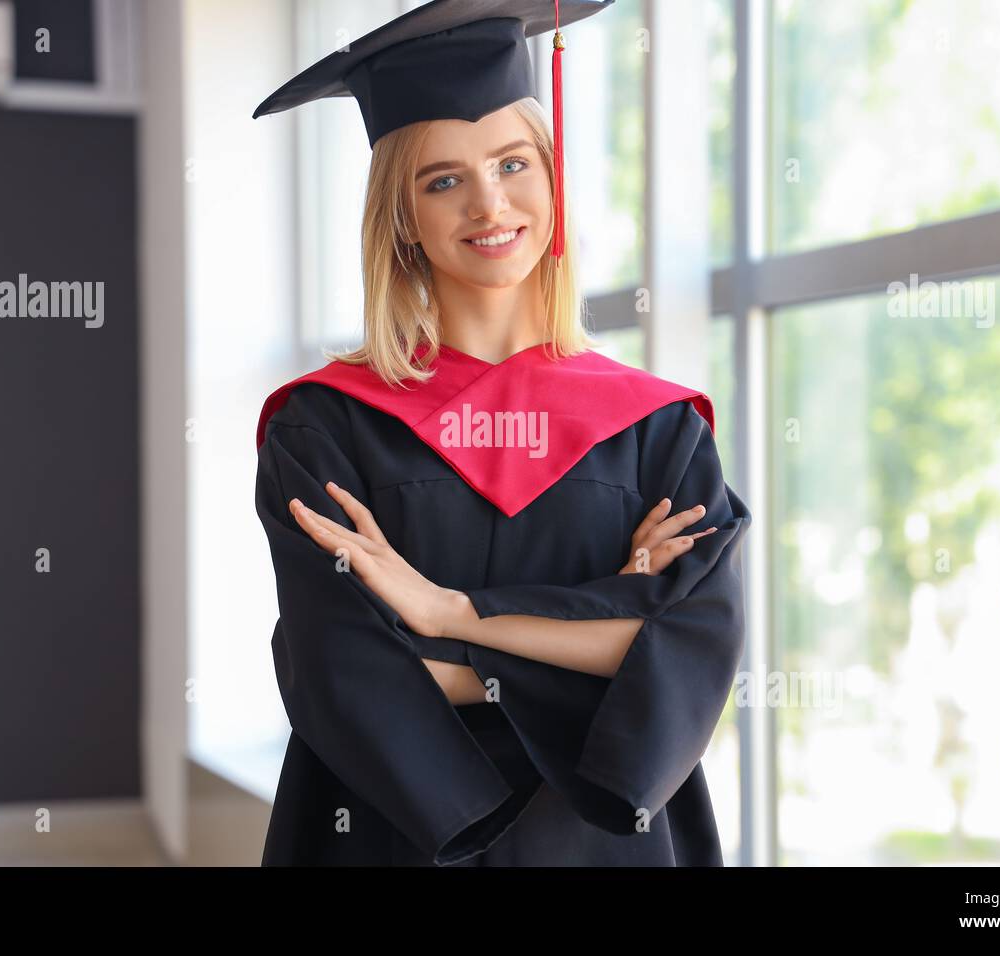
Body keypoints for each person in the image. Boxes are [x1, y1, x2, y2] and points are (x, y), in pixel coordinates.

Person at [251, 0, 752, 866]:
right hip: (396, 831)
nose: (490, 203)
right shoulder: (324, 427)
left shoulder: (658, 428)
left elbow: (694, 657)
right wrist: (604, 634)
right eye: (442, 179)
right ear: (401, 217)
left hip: (602, 834)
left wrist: (447, 618)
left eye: (513, 163)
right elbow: (336, 671)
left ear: (552, 180)